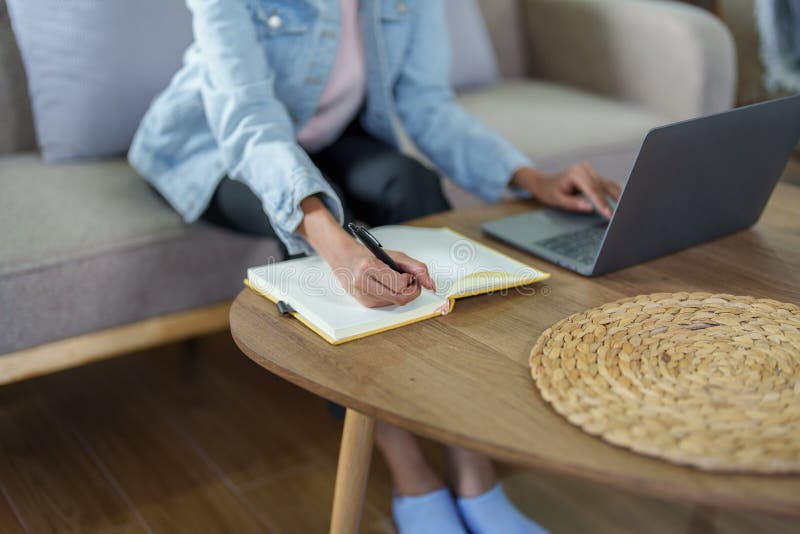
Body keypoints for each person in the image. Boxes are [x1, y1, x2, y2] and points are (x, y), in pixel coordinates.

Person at [129, 1, 620, 532]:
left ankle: (472, 473)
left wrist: (532, 178)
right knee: (315, 218)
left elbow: (427, 105)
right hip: (211, 148)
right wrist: (337, 248)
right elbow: (252, 127)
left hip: (327, 140)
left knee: (412, 185)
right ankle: (412, 479)